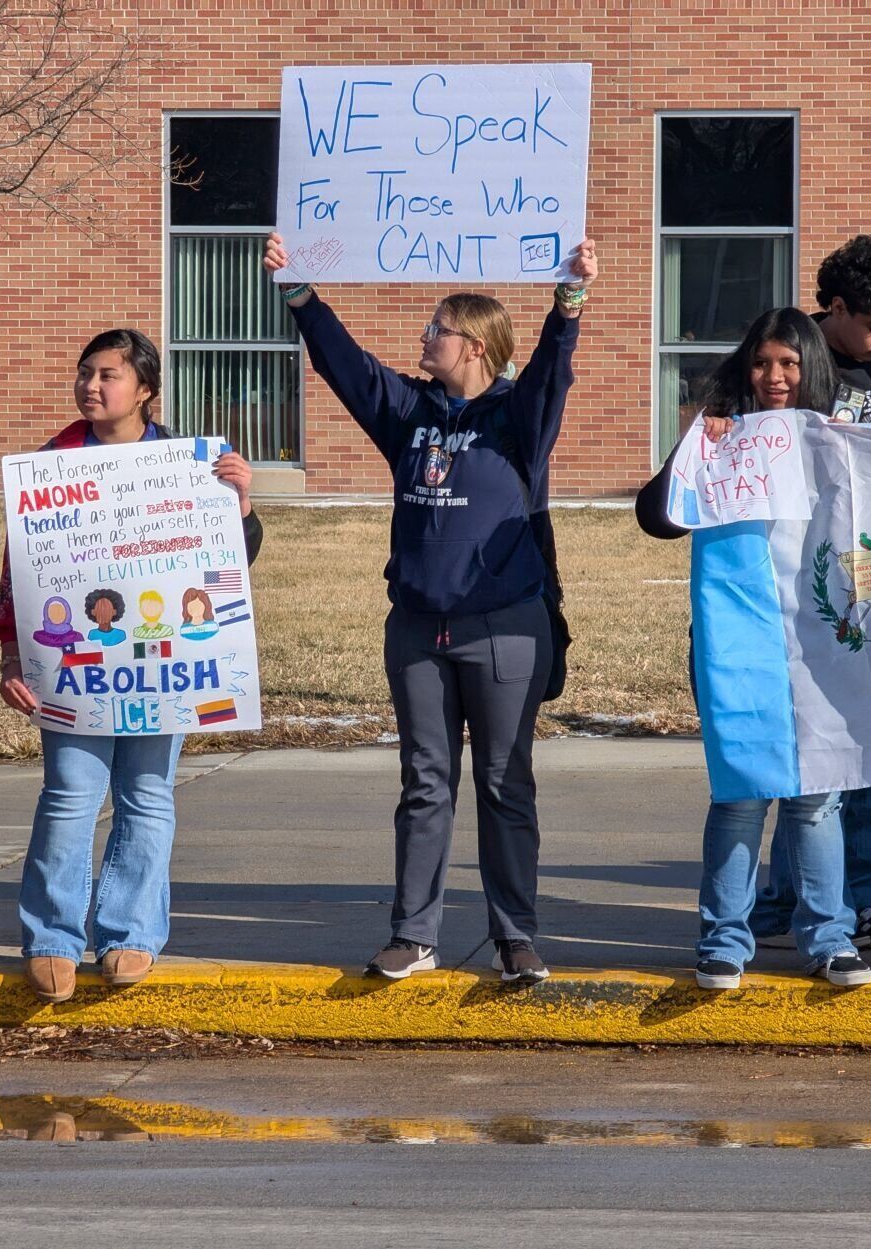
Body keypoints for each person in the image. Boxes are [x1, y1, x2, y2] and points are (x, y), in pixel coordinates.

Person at [263, 230, 594, 985]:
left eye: (436, 329)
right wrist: (299, 293)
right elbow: (344, 367)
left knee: (506, 783)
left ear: (474, 344)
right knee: (423, 784)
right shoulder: (408, 412)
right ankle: (413, 934)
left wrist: (569, 301)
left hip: (505, 628)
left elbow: (551, 375)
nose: (423, 338)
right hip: (417, 629)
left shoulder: (518, 420)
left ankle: (515, 937)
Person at [0, 328, 263, 1005]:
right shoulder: (52, 464)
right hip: (74, 670)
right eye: (84, 372)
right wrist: (11, 652)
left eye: (107, 374)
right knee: (70, 795)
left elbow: (226, 565)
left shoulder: (185, 464)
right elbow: (16, 571)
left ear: (144, 389)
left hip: (159, 670)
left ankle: (128, 932)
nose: (91, 385)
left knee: (146, 796)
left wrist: (241, 505)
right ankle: (52, 937)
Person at [636, 307, 870, 990]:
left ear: (810, 369)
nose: (774, 377)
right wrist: (690, 447)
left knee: (816, 797)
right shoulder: (719, 435)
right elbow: (656, 519)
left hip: (819, 645)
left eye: (789, 364)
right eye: (762, 363)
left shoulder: (841, 435)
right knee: (740, 792)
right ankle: (723, 938)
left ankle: (828, 936)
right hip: (735, 646)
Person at [754, 234, 871, 952]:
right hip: (810, 584)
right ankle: (786, 902)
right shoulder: (794, 356)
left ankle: (858, 896)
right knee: (816, 760)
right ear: (833, 308)